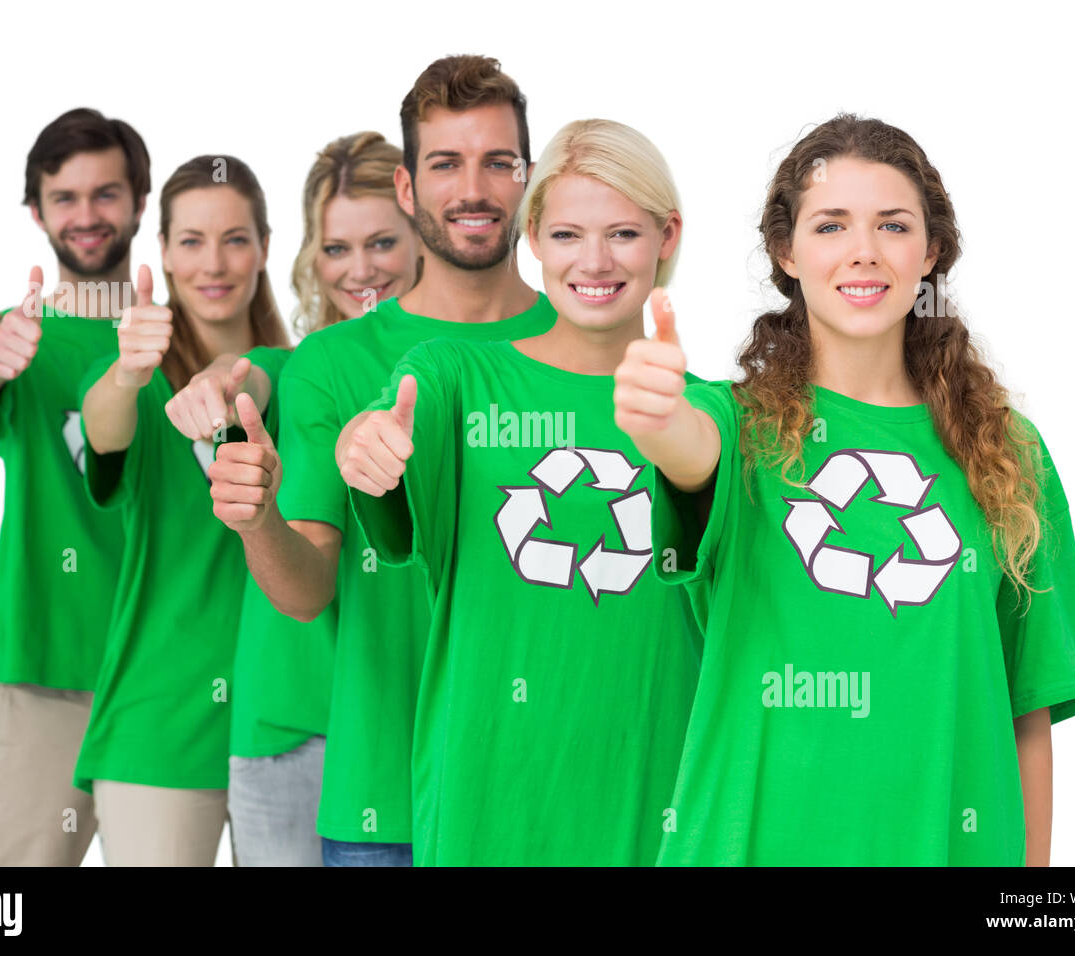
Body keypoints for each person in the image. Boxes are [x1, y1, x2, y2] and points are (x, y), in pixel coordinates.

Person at [613, 113, 1075, 866]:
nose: (863, 253)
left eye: (893, 225)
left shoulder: (1007, 453)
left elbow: (1027, 708)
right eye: (831, 226)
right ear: (786, 251)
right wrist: (657, 419)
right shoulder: (736, 424)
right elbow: (688, 450)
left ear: (931, 250)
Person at [210, 54, 554, 866]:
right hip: (384, 806)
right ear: (408, 188)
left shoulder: (589, 345)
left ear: (528, 181)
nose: (473, 188)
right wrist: (258, 519)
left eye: (497, 162)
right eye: (446, 163)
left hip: (548, 792)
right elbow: (306, 589)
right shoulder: (330, 363)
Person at [334, 118, 703, 865]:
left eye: (624, 235)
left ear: (667, 236)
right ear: (531, 236)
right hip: (485, 810)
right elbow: (393, 421)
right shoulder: (455, 377)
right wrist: (366, 446)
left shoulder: (707, 412)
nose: (594, 261)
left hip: (652, 812)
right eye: (567, 235)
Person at [173, 131, 420, 866]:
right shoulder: (301, 365)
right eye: (337, 248)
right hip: (287, 721)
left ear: (422, 236)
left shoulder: (455, 367)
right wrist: (214, 387)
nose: (359, 269)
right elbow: (245, 373)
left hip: (399, 716)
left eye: (381, 242)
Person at [0, 107, 149, 866]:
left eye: (106, 193)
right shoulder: (15, 337)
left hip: (170, 681)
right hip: (42, 684)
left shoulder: (180, 336)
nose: (87, 215)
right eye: (65, 197)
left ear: (138, 200)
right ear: (35, 210)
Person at [75, 154, 289, 866]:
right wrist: (129, 373)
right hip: (157, 733)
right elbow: (104, 429)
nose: (215, 262)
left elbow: (254, 373)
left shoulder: (300, 374)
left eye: (235, 238)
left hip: (286, 727)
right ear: (162, 252)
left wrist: (231, 385)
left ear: (264, 245)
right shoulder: (124, 386)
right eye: (191, 240)